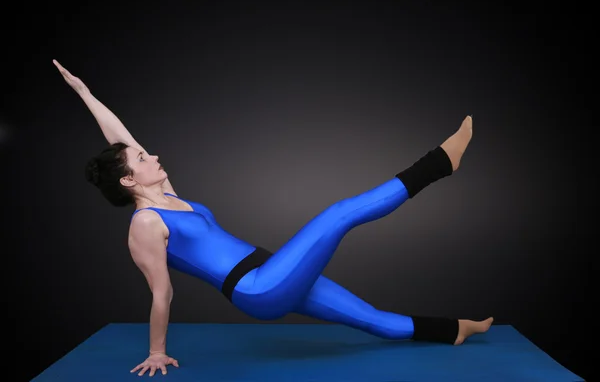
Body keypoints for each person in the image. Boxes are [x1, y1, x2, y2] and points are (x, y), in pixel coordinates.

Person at [53, 59, 493, 377]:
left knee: (367, 317)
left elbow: (122, 140)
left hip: (271, 268)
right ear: (130, 180)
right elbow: (162, 293)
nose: (154, 155)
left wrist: (85, 94)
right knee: (338, 215)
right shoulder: (145, 223)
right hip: (259, 289)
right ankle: (439, 164)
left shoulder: (165, 195)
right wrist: (156, 351)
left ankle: (453, 331)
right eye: (144, 158)